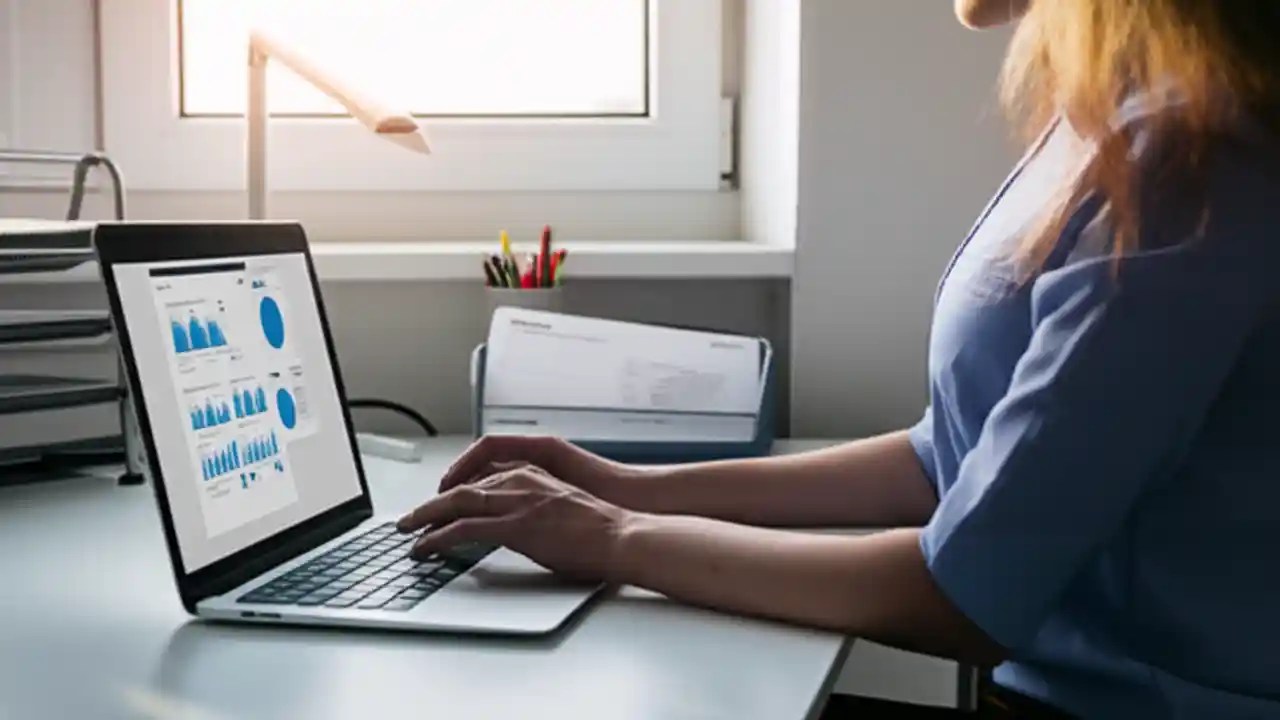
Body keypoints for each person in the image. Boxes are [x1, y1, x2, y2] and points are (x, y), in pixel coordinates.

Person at [399, 1, 1280, 717]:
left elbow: (963, 596)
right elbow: (949, 460)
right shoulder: (1100, 124)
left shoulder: (1193, 167)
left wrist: (613, 538)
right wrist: (623, 486)